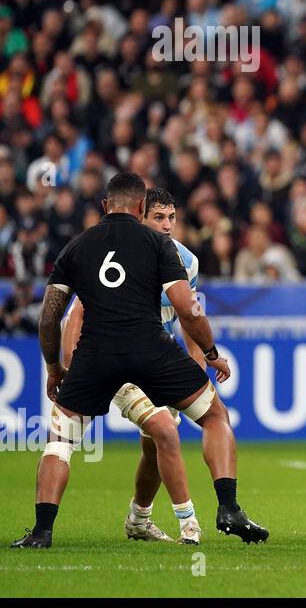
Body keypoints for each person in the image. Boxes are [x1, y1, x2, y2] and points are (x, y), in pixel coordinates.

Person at [12, 172, 267, 549]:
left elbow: (49, 316)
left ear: (104, 206)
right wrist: (212, 354)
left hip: (96, 354)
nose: (166, 225)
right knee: (213, 417)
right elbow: (188, 309)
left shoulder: (77, 247)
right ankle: (225, 507)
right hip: (150, 349)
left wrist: (55, 368)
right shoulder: (160, 247)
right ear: (139, 209)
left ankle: (43, 531)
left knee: (60, 441)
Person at [60, 187, 206, 543]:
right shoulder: (117, 255)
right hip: (117, 357)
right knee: (164, 431)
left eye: (172, 217)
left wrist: (199, 369)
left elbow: (190, 316)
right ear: (141, 217)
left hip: (158, 361)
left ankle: (138, 521)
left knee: (154, 446)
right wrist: (67, 364)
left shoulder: (188, 262)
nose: (168, 225)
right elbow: (74, 314)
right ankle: (189, 522)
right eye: (159, 217)